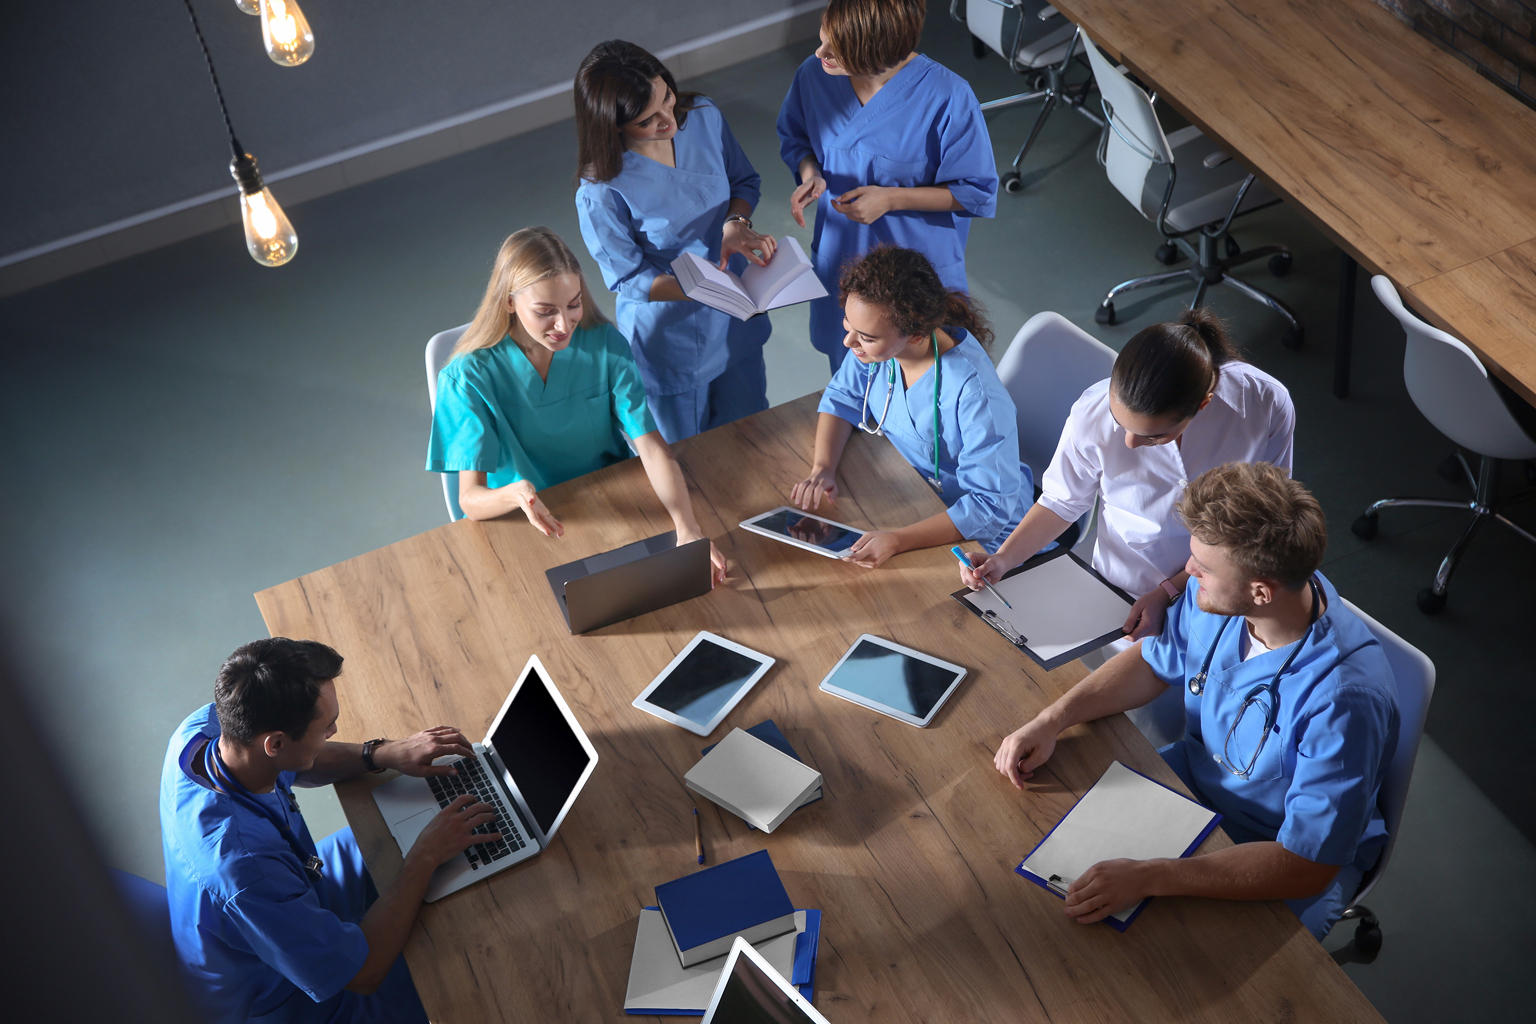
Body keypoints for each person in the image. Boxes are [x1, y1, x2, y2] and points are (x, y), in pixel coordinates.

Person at [993, 463, 1399, 940]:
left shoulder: (1345, 701)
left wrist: (1152, 876)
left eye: (1202, 568)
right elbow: (1154, 663)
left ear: (1261, 591)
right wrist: (1053, 718)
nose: (1186, 572)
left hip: (1280, 849)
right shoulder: (1231, 598)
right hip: (1193, 784)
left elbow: (1308, 863)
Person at [961, 307, 1294, 744]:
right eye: (1121, 425)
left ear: (1203, 403)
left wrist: (1171, 590)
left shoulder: (1264, 405)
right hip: (1115, 599)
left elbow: (1261, 526)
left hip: (1219, 601)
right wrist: (1003, 560)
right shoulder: (1093, 410)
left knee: (1177, 737)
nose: (1130, 443)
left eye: (1155, 436)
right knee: (1102, 725)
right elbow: (1062, 501)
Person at [160, 638, 501, 1023]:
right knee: (481, 960)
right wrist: (423, 857)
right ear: (274, 743)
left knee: (412, 827)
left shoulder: (206, 730)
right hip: (290, 1001)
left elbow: (301, 761)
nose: (334, 730)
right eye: (326, 728)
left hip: (294, 885)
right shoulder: (246, 872)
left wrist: (382, 754)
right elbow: (363, 973)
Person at [426, 227, 727, 584]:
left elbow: (650, 445)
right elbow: (470, 501)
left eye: (573, 305)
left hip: (614, 506)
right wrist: (515, 494)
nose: (563, 324)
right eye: (545, 312)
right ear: (509, 301)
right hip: (529, 523)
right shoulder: (467, 377)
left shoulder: (605, 345)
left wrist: (687, 528)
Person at [777, 0, 997, 374]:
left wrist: (891, 198)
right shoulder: (814, 75)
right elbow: (797, 138)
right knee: (851, 374)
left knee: (925, 378)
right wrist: (811, 174)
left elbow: (975, 190)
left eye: (836, 49)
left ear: (876, 52)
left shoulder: (947, 98)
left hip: (913, 271)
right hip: (842, 256)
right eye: (823, 39)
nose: (820, 53)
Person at [575, 40, 776, 443]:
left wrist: (735, 223)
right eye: (647, 121)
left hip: (736, 316)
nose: (668, 120)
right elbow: (629, 277)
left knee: (753, 439)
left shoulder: (702, 115)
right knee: (685, 460)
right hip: (671, 340)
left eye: (666, 98)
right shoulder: (601, 190)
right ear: (612, 125)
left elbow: (743, 182)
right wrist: (701, 290)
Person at [791, 245, 1030, 567]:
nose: (849, 343)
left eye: (866, 337)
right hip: (913, 497)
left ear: (915, 333)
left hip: (983, 542)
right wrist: (823, 468)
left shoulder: (975, 396)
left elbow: (990, 506)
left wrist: (898, 540)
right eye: (848, 324)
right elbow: (843, 397)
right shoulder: (877, 347)